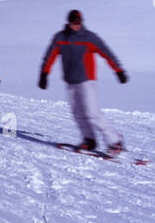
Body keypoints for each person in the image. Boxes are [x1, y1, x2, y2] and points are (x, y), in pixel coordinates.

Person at [38, 10, 129, 154]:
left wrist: (118, 70)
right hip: (70, 81)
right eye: (74, 23)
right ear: (68, 22)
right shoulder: (60, 37)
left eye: (78, 23)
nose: (76, 25)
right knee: (77, 113)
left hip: (87, 81)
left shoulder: (89, 37)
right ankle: (89, 140)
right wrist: (44, 74)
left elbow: (107, 53)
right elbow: (49, 56)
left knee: (91, 112)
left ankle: (114, 141)